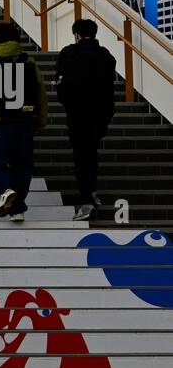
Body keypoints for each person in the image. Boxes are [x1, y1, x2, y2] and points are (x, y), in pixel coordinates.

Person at [0, 22, 48, 222]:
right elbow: (41, 93)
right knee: (23, 165)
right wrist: (41, 120)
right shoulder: (28, 60)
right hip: (25, 120)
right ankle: (17, 207)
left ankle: (5, 193)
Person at [55, 18, 117, 220]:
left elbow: (61, 83)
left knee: (82, 156)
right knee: (91, 151)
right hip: (101, 114)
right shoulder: (106, 56)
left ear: (76, 34)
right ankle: (91, 191)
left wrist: (64, 98)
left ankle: (86, 200)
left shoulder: (69, 53)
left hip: (77, 114)